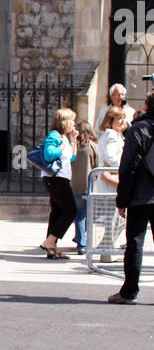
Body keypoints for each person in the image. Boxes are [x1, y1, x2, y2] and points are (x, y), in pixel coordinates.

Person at [110, 88, 154, 303]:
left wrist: (122, 200)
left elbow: (129, 167)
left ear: (147, 106)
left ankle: (129, 291)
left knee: (135, 242)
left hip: (141, 194)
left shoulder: (140, 129)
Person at [38, 107, 78, 259]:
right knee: (70, 210)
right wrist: (62, 146)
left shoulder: (63, 137)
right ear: (64, 122)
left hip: (60, 177)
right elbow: (49, 155)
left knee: (57, 211)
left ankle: (52, 247)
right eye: (71, 121)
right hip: (56, 178)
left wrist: (72, 141)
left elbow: (71, 158)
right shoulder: (55, 136)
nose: (73, 124)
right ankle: (50, 241)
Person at [95, 106, 127, 260]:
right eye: (119, 118)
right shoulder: (112, 135)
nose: (122, 121)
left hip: (109, 179)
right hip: (111, 179)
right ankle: (106, 251)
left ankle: (105, 248)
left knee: (116, 218)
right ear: (111, 120)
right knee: (115, 217)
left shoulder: (112, 135)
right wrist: (123, 166)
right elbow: (110, 157)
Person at [70, 119, 98, 255]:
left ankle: (79, 237)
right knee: (85, 214)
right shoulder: (92, 146)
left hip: (74, 184)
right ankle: (82, 243)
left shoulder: (74, 146)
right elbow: (98, 165)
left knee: (79, 214)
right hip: (89, 184)